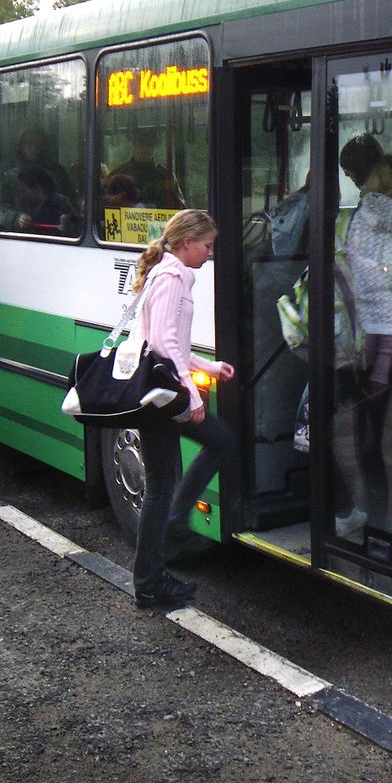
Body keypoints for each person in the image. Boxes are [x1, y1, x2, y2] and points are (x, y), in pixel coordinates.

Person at [128, 209, 235, 608]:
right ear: (187, 242)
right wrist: (191, 393)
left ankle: (154, 568)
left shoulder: (169, 272)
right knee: (163, 484)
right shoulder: (172, 277)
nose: (209, 254)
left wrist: (208, 366)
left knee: (166, 480)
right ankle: (151, 578)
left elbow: (172, 342)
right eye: (206, 246)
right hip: (162, 395)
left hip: (160, 390)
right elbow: (163, 345)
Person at [335, 134, 392, 539]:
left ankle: (372, 521)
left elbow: (358, 276)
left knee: (363, 437)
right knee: (379, 435)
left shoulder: (364, 218)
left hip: (369, 338)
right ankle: (383, 521)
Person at [112, 128, 183, 210]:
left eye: (149, 145)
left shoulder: (165, 174)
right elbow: (106, 204)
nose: (145, 150)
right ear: (134, 146)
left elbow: (179, 206)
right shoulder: (119, 174)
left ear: (153, 148)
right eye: (141, 145)